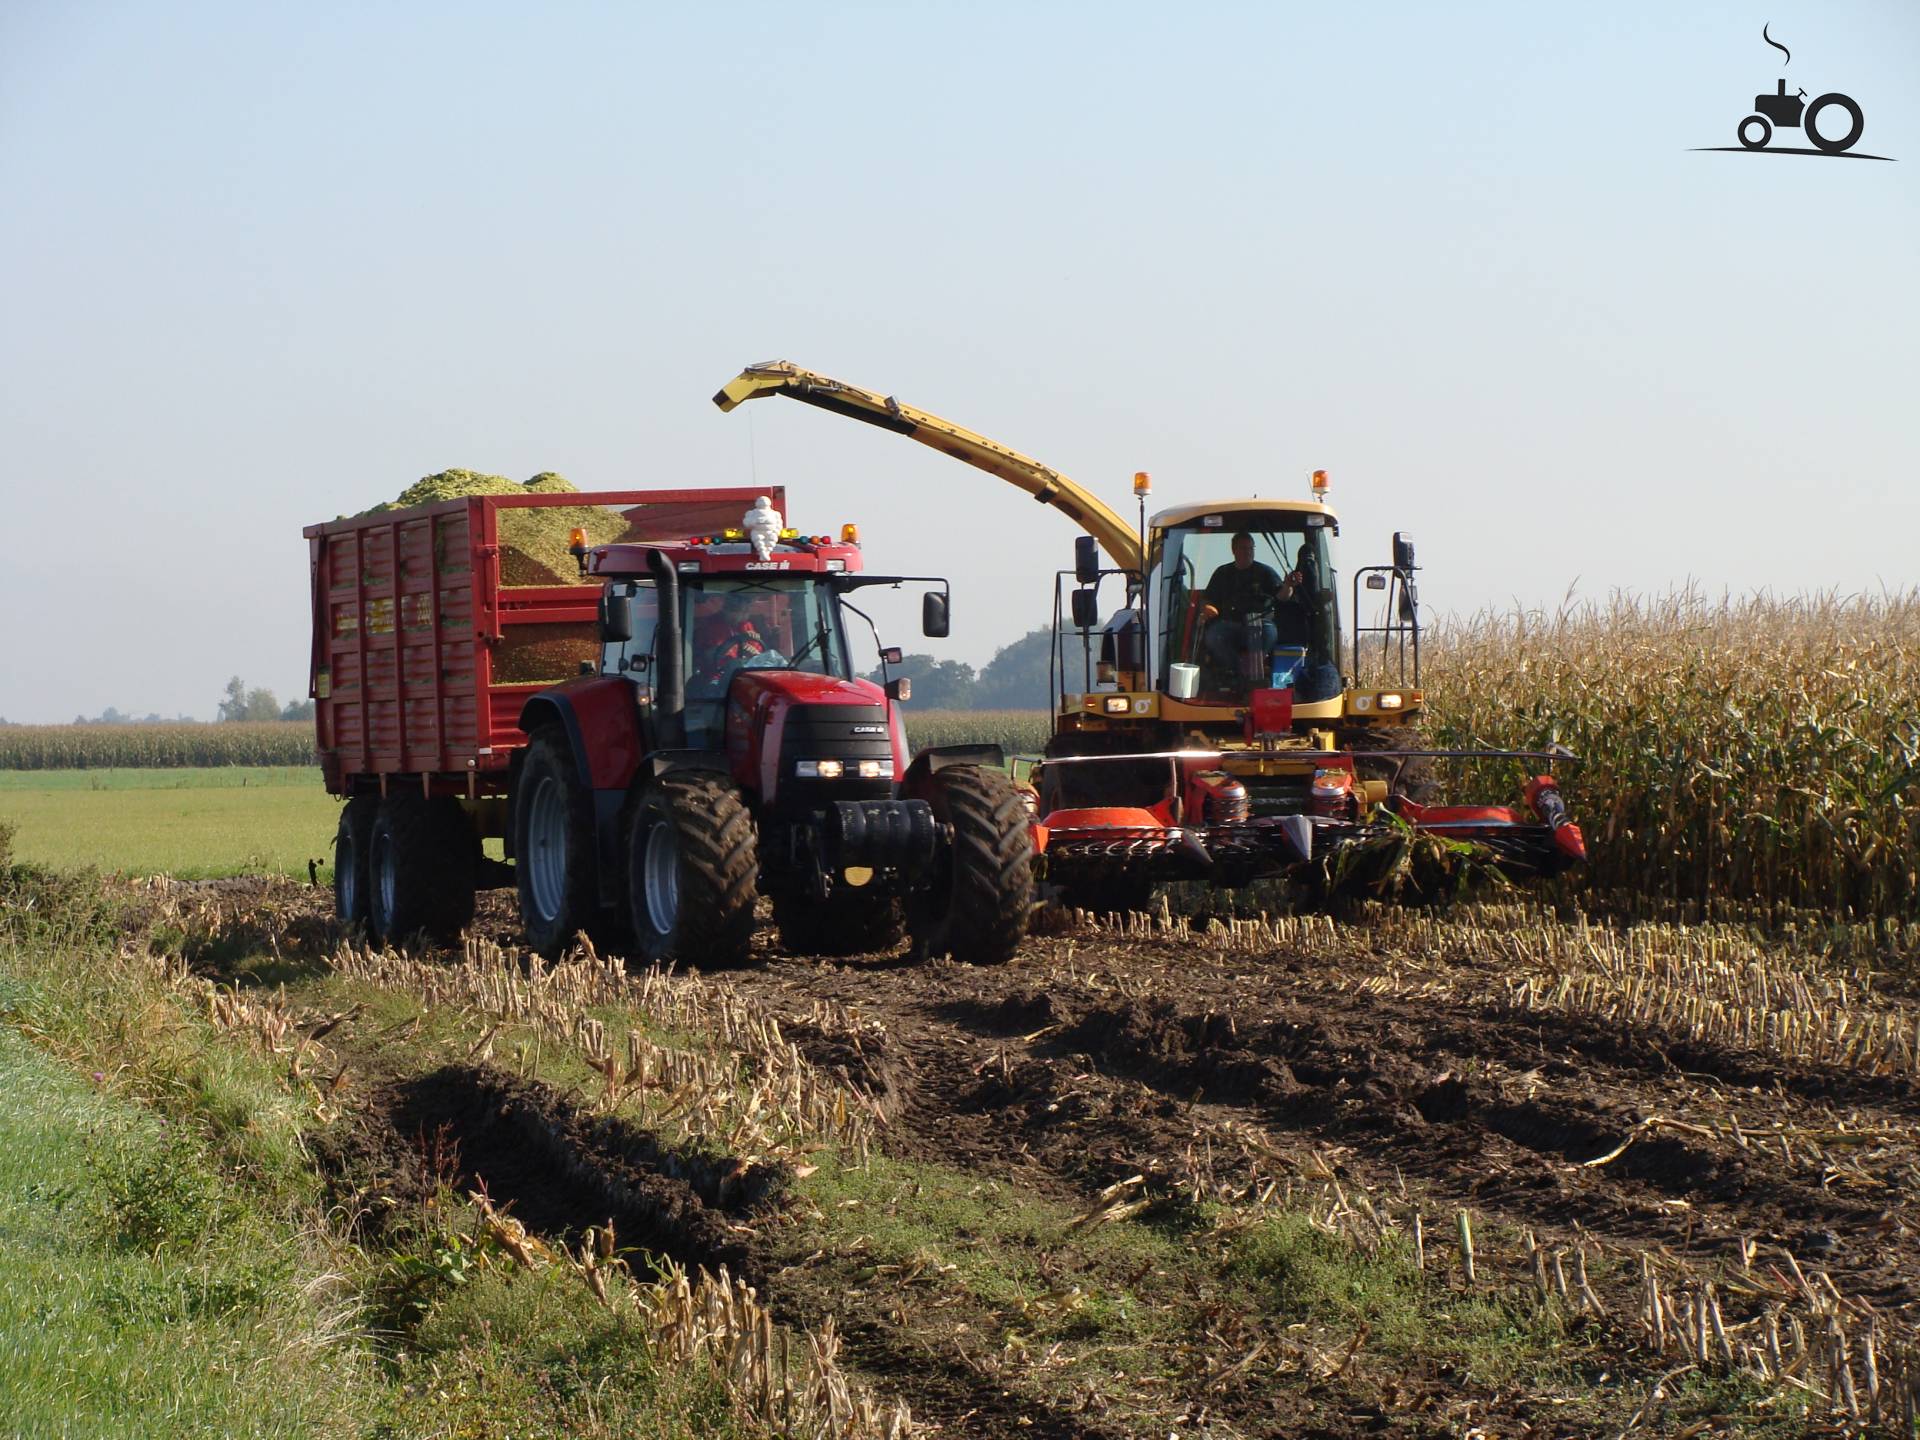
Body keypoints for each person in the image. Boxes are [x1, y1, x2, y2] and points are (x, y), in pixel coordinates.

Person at [1203, 532, 1308, 673]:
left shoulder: (1266, 572)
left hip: (1261, 624)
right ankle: (1236, 670)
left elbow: (1282, 596)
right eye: (1243, 548)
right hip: (1229, 625)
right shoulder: (1222, 573)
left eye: (1251, 548)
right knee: (1213, 636)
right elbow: (1207, 600)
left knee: (1269, 632)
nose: (1248, 552)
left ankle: (1258, 669)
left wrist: (1288, 585)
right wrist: (1206, 609)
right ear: (1233, 550)